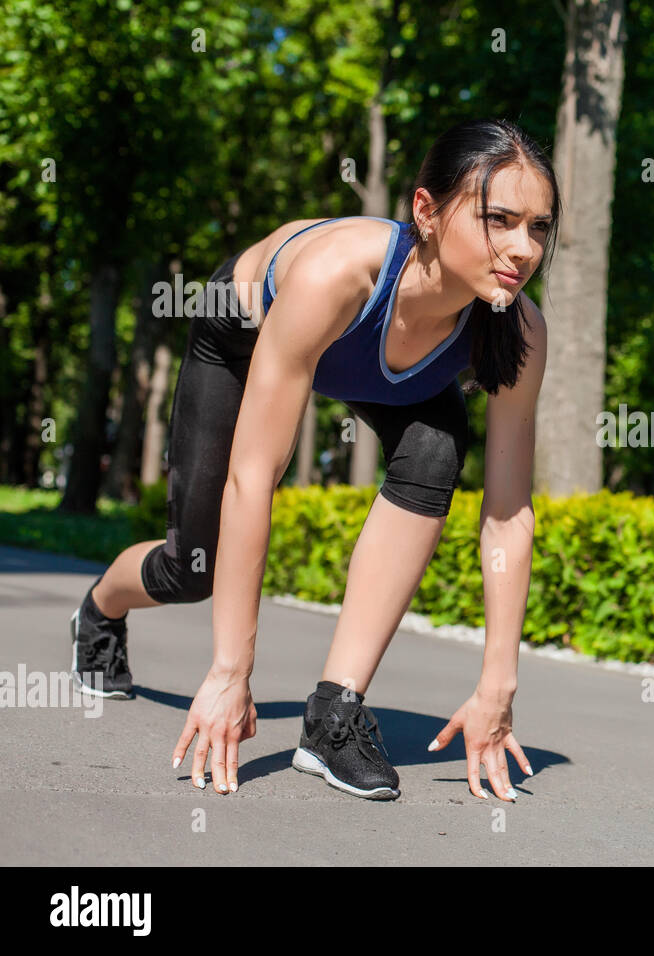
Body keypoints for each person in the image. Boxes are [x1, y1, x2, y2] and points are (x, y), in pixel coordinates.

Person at [67, 118, 558, 802]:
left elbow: (508, 516)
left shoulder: (518, 328)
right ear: (425, 210)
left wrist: (497, 687)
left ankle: (336, 715)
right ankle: (99, 610)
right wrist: (230, 671)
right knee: (192, 566)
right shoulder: (336, 272)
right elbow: (254, 475)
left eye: (538, 227)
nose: (523, 247)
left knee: (437, 448)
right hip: (242, 333)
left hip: (385, 371)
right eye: (500, 219)